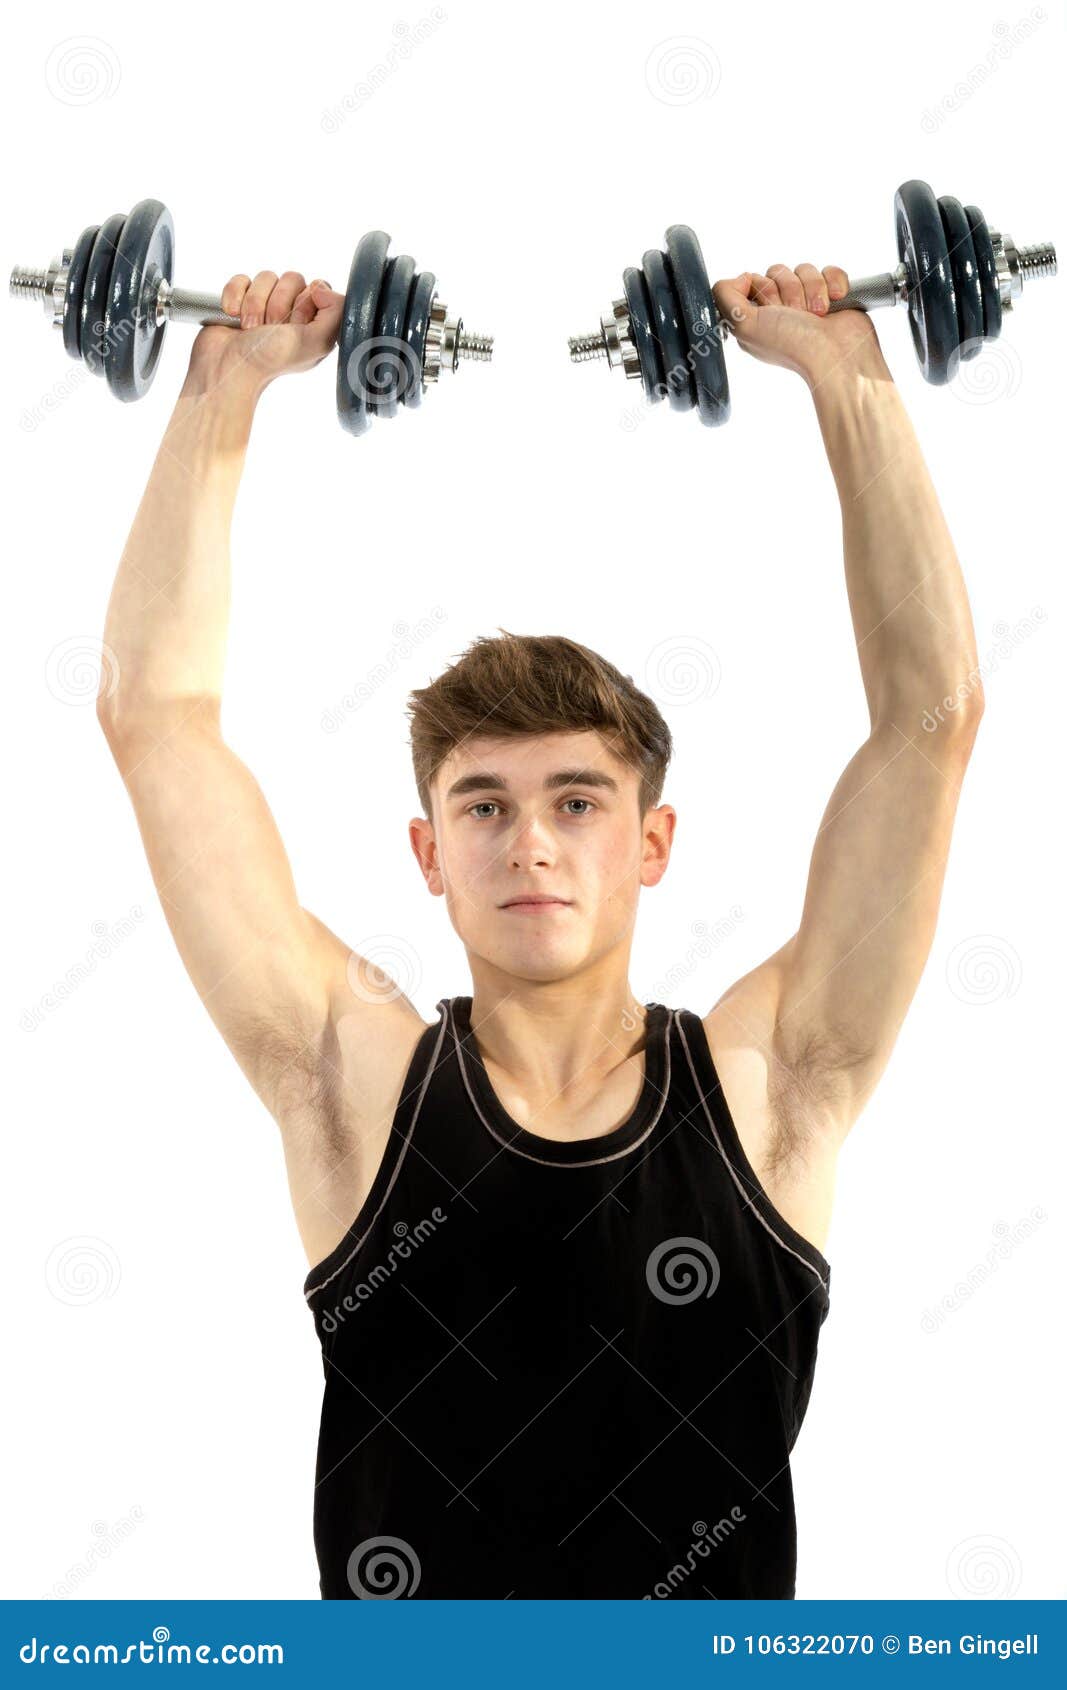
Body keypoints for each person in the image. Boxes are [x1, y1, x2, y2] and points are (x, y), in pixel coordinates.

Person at [95, 259, 983, 1599]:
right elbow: (156, 720)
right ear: (430, 855)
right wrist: (220, 390)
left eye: (578, 799)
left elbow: (932, 722)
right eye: (484, 806)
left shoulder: (767, 1086)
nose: (532, 843)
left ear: (651, 844)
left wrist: (845, 369)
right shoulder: (359, 1084)